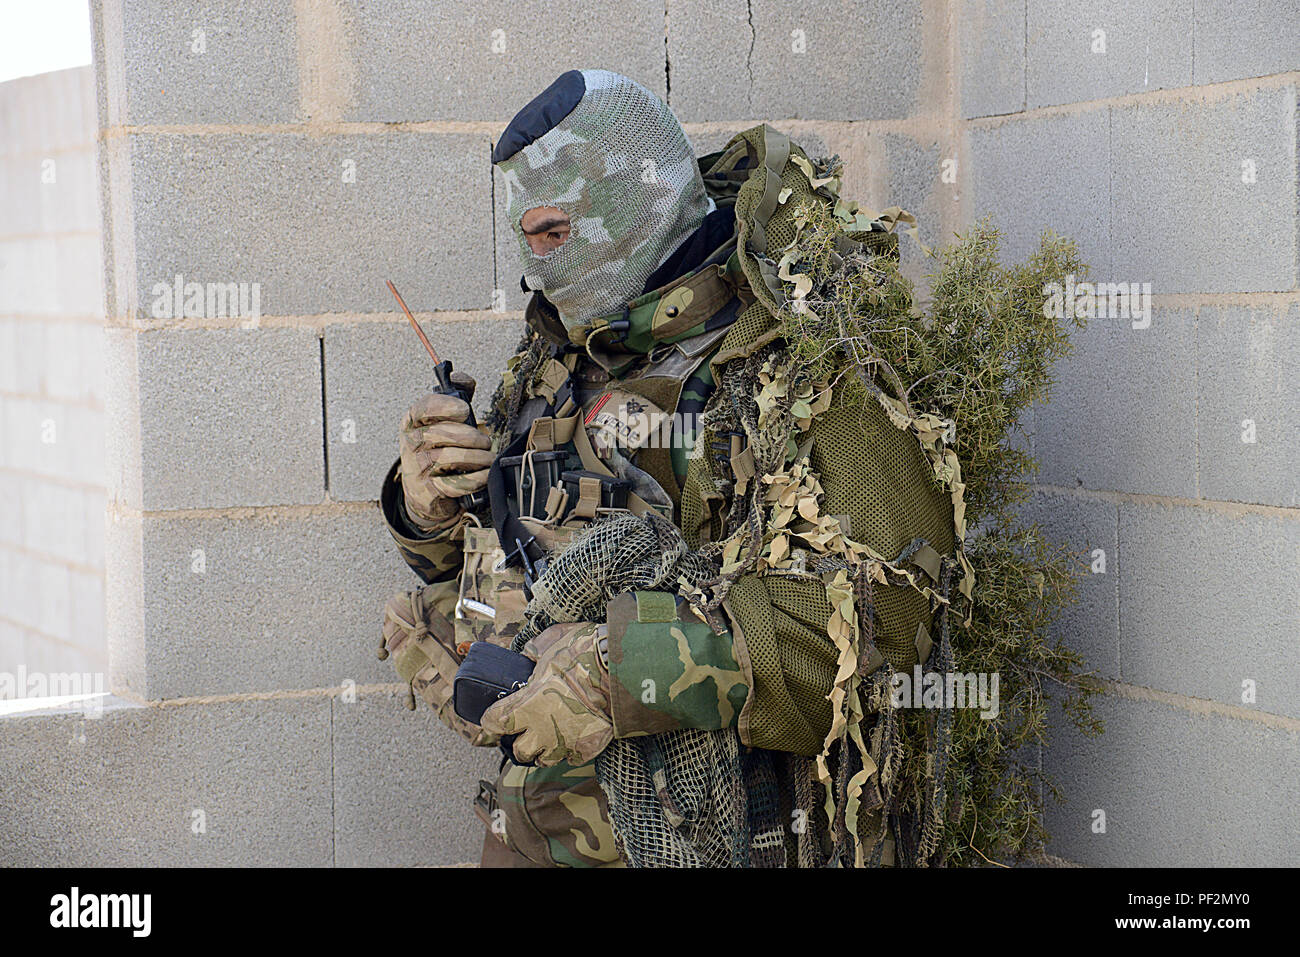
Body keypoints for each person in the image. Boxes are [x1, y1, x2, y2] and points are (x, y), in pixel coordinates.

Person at [378, 69, 957, 867]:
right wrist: (428, 515)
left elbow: (888, 621)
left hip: (723, 837)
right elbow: (524, 557)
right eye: (527, 241)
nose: (538, 270)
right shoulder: (565, 353)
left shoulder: (793, 357)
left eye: (553, 234)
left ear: (624, 202)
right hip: (539, 827)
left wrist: (619, 673)